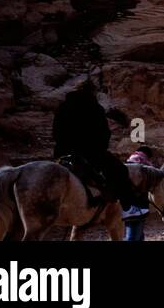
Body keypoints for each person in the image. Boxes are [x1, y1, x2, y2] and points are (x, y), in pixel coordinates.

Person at [52, 83, 148, 220]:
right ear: (92, 93)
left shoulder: (63, 107)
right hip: (89, 152)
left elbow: (55, 133)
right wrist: (99, 148)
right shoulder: (94, 107)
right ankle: (128, 208)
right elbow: (103, 134)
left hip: (61, 152)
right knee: (119, 170)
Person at [123, 146, 156, 241]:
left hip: (128, 205)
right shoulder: (143, 164)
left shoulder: (129, 161)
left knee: (138, 233)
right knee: (133, 235)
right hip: (137, 204)